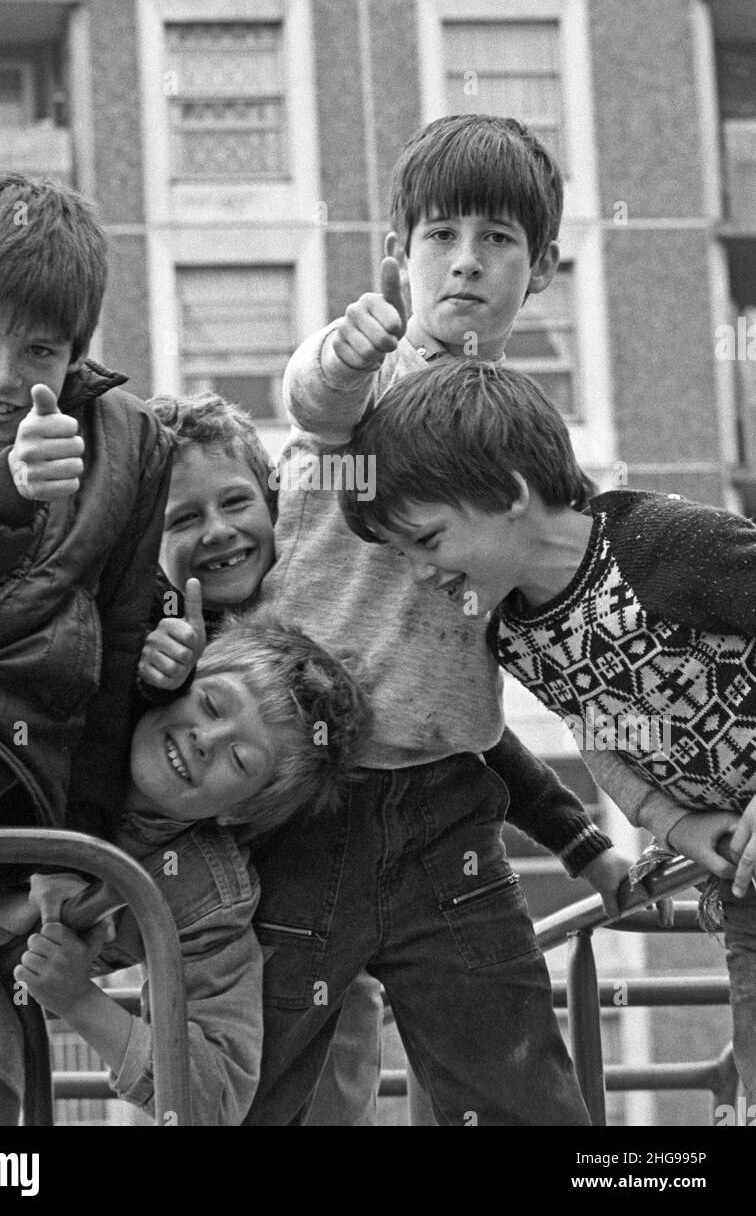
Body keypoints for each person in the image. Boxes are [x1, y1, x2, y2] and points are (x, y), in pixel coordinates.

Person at [240, 114, 632, 1127]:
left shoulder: (528, 452)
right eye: (440, 236)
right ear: (397, 256)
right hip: (306, 802)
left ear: (539, 266)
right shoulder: (367, 388)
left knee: (525, 1097)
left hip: (445, 816)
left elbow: (549, 669)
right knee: (264, 1096)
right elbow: (313, 396)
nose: (466, 262)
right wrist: (348, 346)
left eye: (496, 240)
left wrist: (591, 839)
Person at [137, 390, 624, 1125]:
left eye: (236, 503)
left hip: (427, 844)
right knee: (255, 1090)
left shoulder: (323, 593)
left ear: (275, 500)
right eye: (182, 519)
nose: (218, 532)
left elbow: (462, 734)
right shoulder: (163, 640)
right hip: (282, 878)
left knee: (506, 1085)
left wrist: (581, 842)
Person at [340, 356, 756, 1103]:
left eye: (427, 542)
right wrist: (673, 820)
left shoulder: (662, 545)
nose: (417, 574)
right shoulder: (514, 631)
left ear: (509, 494)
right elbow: (596, 732)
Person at [0, 615, 370, 1125]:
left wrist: (78, 1000)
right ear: (173, 682)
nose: (207, 739)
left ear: (240, 812)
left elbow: (215, 1099)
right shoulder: (76, 694)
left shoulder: (204, 894)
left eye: (242, 761)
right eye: (210, 704)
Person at [0, 173, 172, 848]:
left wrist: (83, 848)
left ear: (77, 351)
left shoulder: (130, 444)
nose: (6, 378)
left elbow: (120, 638)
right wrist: (1, 492)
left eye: (39, 350)